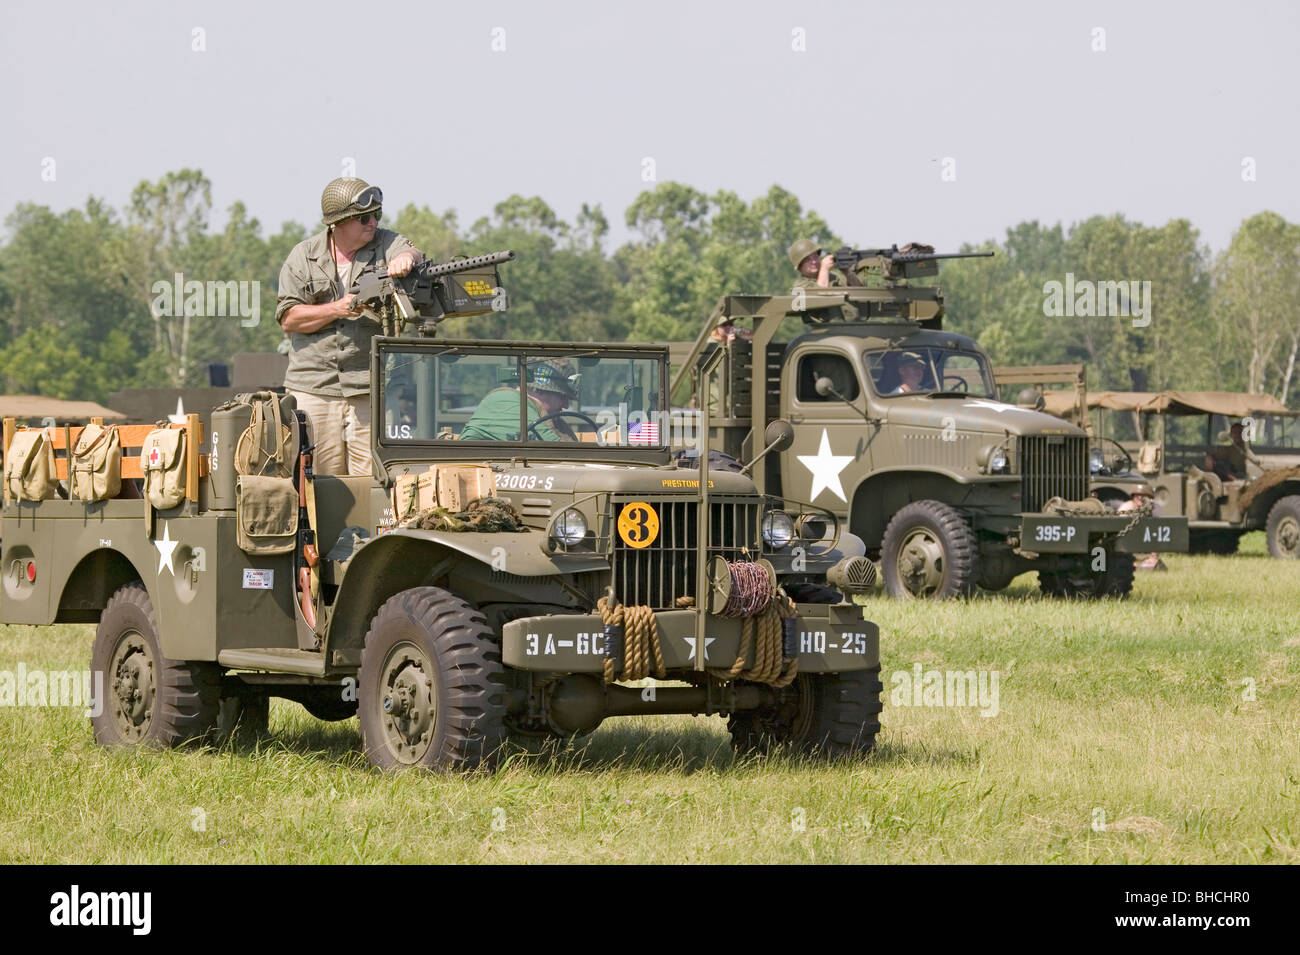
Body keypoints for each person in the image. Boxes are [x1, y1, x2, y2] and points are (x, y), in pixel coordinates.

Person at [275, 177, 424, 476]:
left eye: (376, 215)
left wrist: (406, 259)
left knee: (374, 478)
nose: (373, 222)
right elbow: (289, 319)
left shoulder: (384, 243)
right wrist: (339, 308)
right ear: (338, 223)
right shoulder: (304, 256)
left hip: (369, 388)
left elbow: (411, 251)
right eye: (364, 218)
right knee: (318, 481)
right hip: (315, 388)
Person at [461, 360, 581, 441]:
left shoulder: (554, 421)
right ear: (540, 390)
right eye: (562, 396)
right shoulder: (506, 402)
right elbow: (559, 450)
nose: (565, 405)